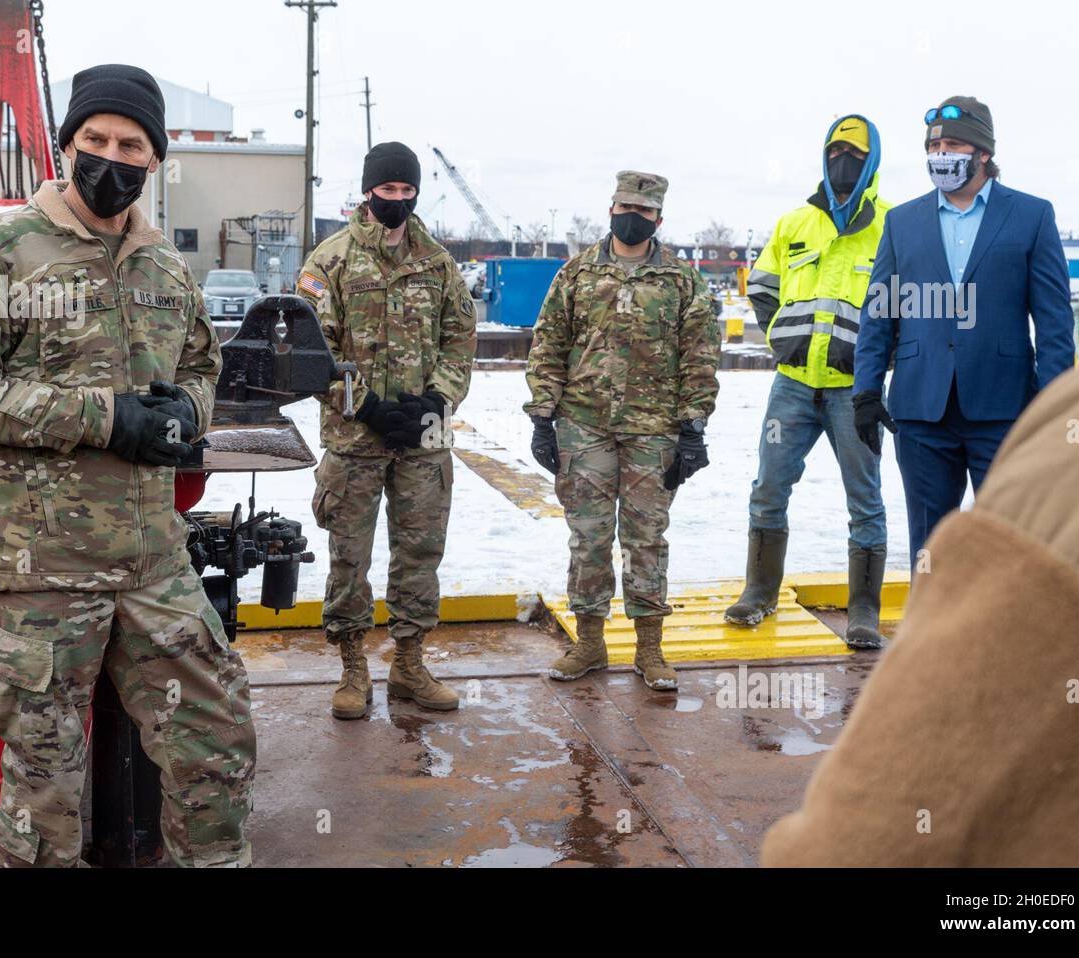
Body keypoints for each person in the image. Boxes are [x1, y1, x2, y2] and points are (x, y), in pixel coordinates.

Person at [0, 64, 255, 867]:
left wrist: (186, 412)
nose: (110, 156)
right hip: (42, 569)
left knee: (217, 737)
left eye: (129, 144)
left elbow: (205, 366)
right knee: (46, 785)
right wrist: (104, 417)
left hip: (150, 560)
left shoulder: (164, 267)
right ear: (67, 146)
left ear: (153, 160)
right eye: (94, 140)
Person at [763, 302, 1079, 867]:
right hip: (883, 397)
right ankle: (777, 595)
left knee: (877, 513)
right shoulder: (850, 229)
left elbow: (859, 846)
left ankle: (867, 610)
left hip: (987, 405)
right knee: (791, 499)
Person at [296, 142, 477, 720]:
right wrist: (366, 406)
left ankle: (409, 662)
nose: (396, 200)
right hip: (356, 439)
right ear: (368, 191)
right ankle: (353, 667)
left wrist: (437, 402)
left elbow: (460, 340)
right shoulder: (331, 261)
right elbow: (308, 352)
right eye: (387, 190)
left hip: (423, 439)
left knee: (420, 552)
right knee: (350, 556)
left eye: (406, 191)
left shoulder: (439, 262)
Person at [853, 96, 1074, 568]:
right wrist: (866, 390)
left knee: (1009, 540)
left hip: (1005, 409)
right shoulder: (901, 222)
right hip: (920, 410)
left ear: (983, 153)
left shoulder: (1032, 216)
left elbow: (1055, 322)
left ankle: (1006, 638)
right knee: (931, 546)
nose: (940, 154)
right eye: (933, 146)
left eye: (951, 144)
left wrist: (1053, 407)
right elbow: (879, 314)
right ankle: (934, 642)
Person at [524, 171, 721, 692]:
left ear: (658, 218)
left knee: (646, 540)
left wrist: (693, 428)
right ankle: (589, 642)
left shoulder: (682, 280)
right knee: (588, 538)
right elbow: (547, 345)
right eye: (624, 206)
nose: (632, 216)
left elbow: (700, 356)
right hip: (583, 424)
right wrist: (543, 418)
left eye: (644, 210)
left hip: (653, 430)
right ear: (611, 208)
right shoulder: (576, 274)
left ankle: (650, 648)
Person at [725, 115, 893, 647]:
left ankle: (863, 611)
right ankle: (759, 592)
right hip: (793, 384)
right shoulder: (794, 223)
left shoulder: (895, 224)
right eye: (836, 151)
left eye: (855, 154)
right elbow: (763, 285)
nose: (843, 161)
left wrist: (877, 362)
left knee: (864, 498)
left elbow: (905, 304)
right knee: (769, 488)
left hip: (856, 390)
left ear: (872, 163)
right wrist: (784, 337)